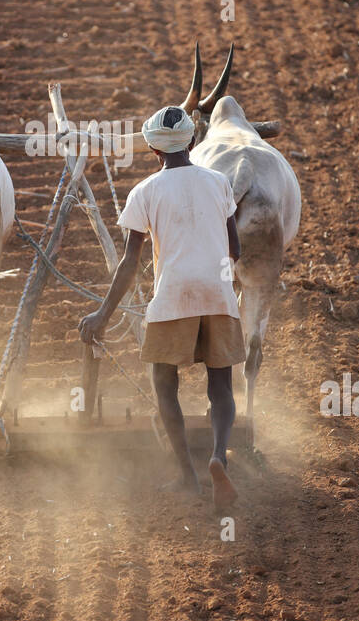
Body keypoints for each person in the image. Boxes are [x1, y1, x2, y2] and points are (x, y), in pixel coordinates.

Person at [78, 104, 245, 509]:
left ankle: (187, 477)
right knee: (220, 387)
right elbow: (235, 248)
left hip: (173, 297)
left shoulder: (145, 192)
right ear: (192, 141)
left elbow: (130, 263)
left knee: (163, 386)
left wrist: (103, 314)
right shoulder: (219, 182)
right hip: (218, 294)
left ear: (153, 150)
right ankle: (219, 456)